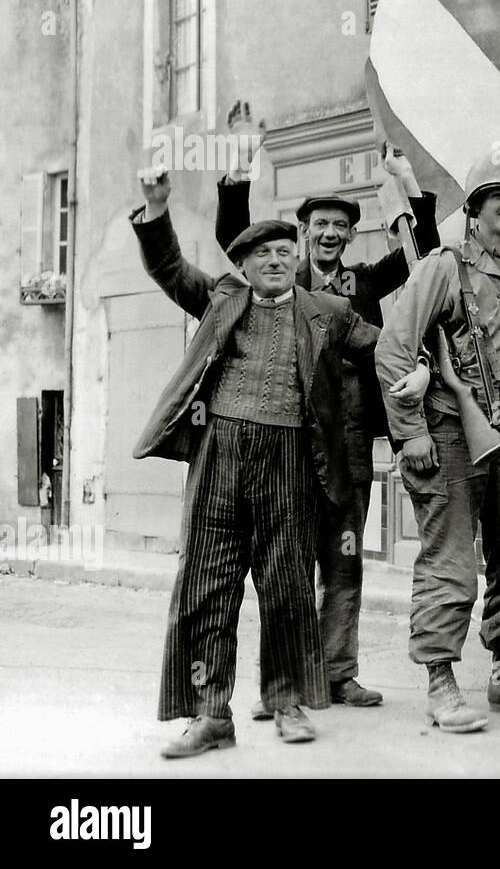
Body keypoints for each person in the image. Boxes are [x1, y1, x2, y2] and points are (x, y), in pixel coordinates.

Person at [130, 171, 390, 756]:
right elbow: (170, 268)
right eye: (260, 253)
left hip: (290, 461)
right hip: (219, 456)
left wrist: (420, 365)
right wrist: (156, 205)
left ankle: (288, 701)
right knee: (205, 585)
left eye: (282, 252)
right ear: (242, 263)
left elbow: (387, 343)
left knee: (288, 585)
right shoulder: (222, 297)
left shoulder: (327, 310)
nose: (273, 261)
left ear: (293, 258)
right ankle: (208, 711)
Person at [215, 135, 439, 716]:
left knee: (343, 563)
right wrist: (236, 182)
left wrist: (407, 183)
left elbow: (426, 253)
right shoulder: (283, 279)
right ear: (304, 231)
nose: (331, 233)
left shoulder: (366, 283)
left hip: (351, 453)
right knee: (285, 566)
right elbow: (232, 245)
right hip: (290, 447)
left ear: (351, 233)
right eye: (321, 224)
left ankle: (339, 674)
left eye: (341, 224)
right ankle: (288, 680)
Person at [375, 151, 500, 734]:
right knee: (452, 564)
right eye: (496, 195)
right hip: (448, 434)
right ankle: (440, 680)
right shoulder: (443, 267)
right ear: (475, 207)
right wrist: (410, 434)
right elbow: (393, 350)